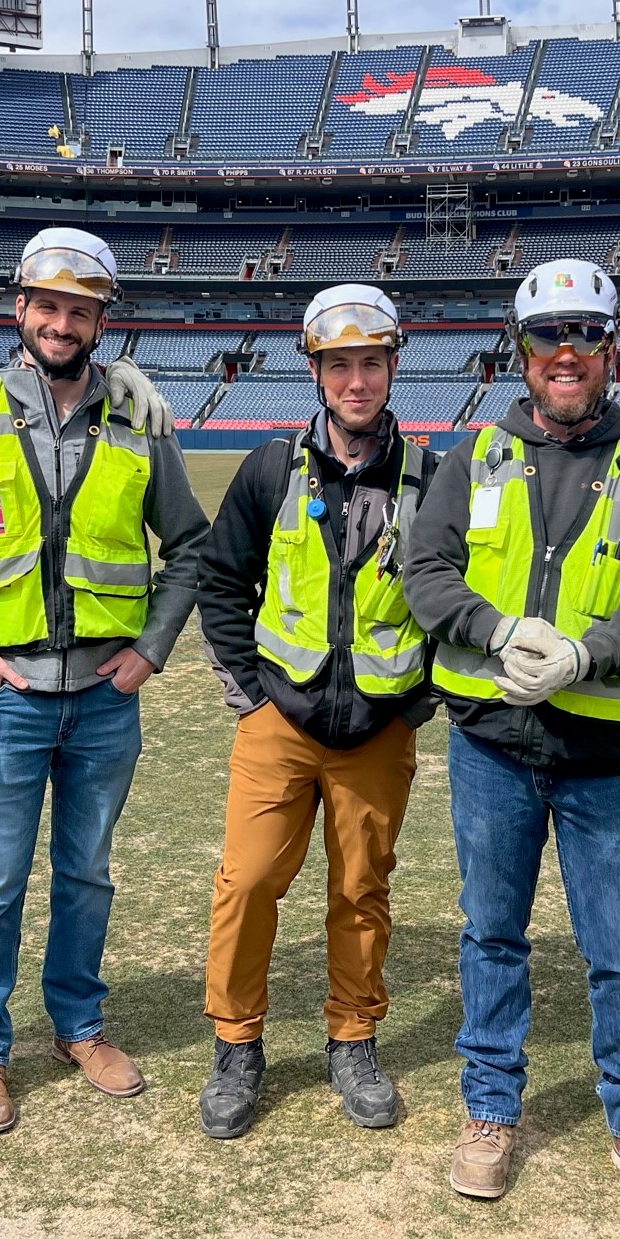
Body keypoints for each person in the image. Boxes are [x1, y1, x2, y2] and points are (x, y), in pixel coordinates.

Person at [403, 259, 620, 1218]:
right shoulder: (475, 455)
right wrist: (496, 633)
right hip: (492, 744)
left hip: (603, 753)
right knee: (493, 935)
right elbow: (427, 573)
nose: (565, 355)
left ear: (614, 349)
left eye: (585, 338)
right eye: (546, 339)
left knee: (619, 946)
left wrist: (585, 654)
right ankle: (490, 1113)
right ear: (519, 350)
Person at [0, 226, 209, 1135]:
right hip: (8, 696)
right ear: (19, 310)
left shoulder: (142, 421)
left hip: (104, 696)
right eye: (48, 306)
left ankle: (79, 1026)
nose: (62, 323)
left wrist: (155, 649)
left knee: (86, 874)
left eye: (81, 310)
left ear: (104, 321)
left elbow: (192, 549)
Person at [194, 285, 433, 1139]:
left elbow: (455, 597)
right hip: (279, 722)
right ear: (317, 372)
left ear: (394, 366)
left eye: (372, 362)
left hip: (378, 729)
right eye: (340, 365)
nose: (357, 380)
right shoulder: (270, 468)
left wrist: (418, 701)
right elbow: (221, 580)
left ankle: (353, 1035)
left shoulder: (431, 479)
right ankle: (237, 1043)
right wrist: (252, 694)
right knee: (249, 881)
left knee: (362, 887)